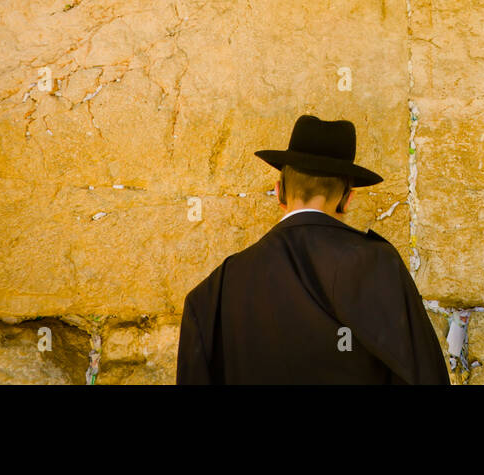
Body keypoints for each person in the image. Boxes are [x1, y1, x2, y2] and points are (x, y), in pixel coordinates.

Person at [176, 114, 449, 384]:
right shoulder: (378, 266)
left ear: (279, 191)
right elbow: (425, 375)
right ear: (346, 199)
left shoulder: (216, 292)